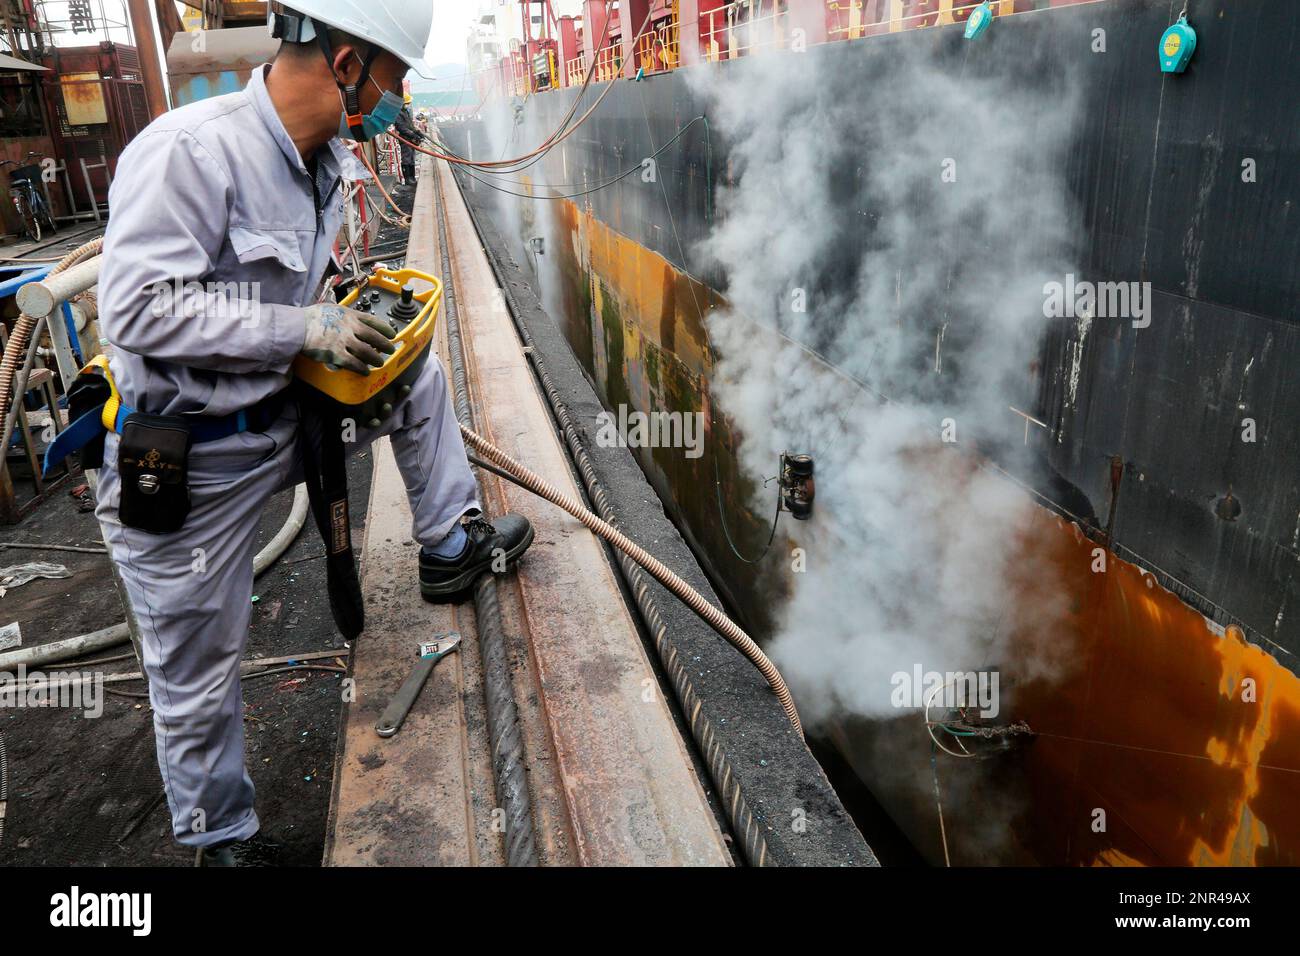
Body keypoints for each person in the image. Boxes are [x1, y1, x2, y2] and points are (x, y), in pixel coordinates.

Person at [92, 1, 533, 866]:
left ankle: (448, 542)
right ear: (343, 66)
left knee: (415, 376)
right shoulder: (191, 152)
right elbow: (137, 307)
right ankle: (225, 840)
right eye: (394, 77)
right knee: (196, 668)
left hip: (286, 419)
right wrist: (301, 330)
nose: (398, 99)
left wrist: (337, 321)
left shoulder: (323, 161)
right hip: (191, 457)